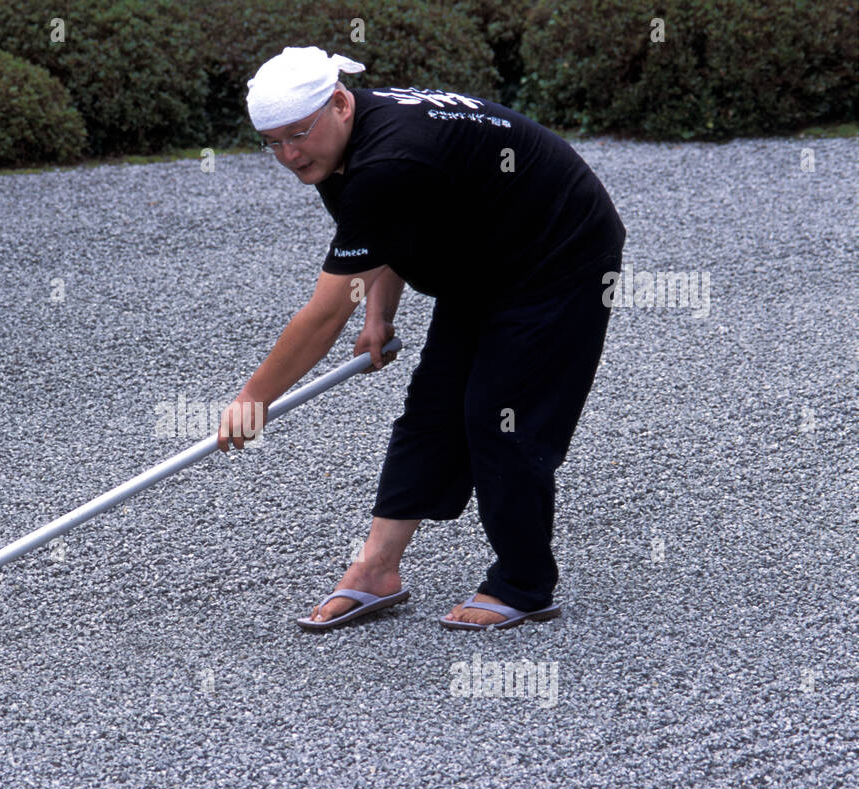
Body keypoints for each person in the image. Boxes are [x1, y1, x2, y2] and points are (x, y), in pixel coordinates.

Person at [216, 46, 626, 632]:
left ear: (337, 103)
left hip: (560, 259)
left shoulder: (391, 157)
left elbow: (325, 312)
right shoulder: (342, 144)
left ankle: (524, 584)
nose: (288, 155)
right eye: (272, 143)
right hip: (487, 255)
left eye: (297, 136)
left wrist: (253, 399)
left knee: (500, 416)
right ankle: (376, 570)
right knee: (433, 408)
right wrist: (378, 314)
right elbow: (386, 232)